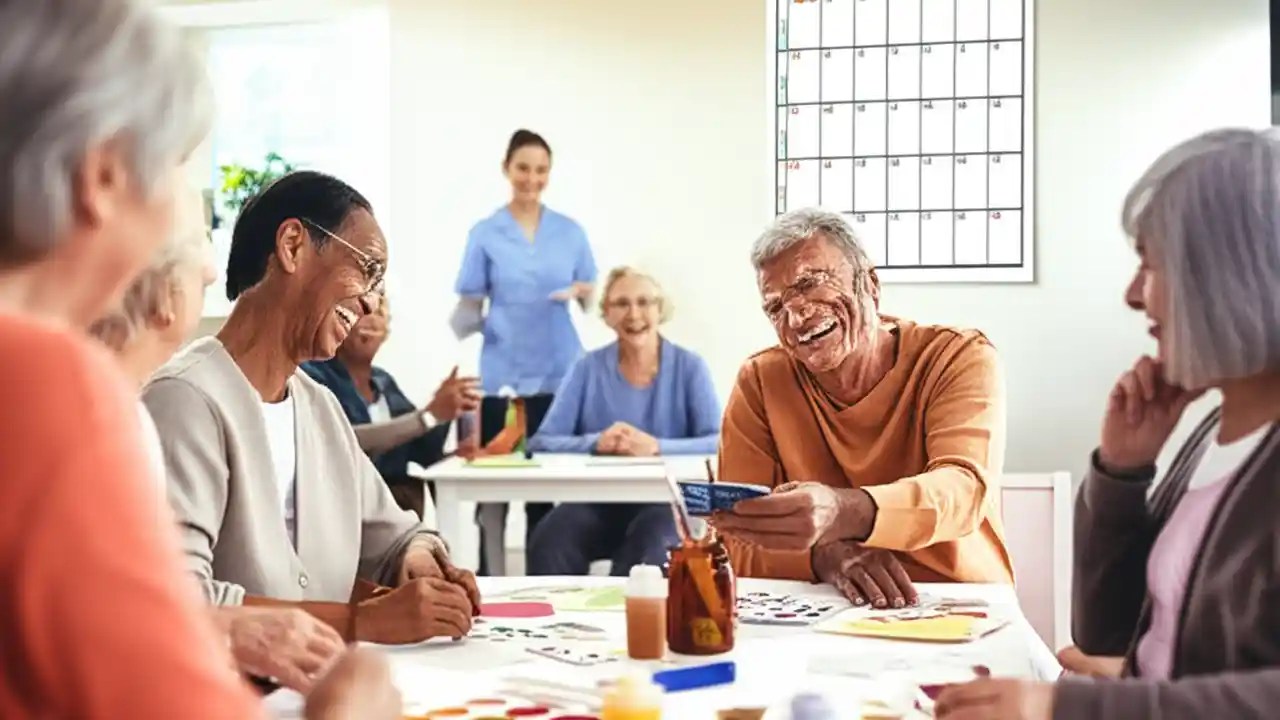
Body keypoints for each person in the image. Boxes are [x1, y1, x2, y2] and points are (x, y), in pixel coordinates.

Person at [0, 0, 396, 717]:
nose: (209, 261)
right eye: (179, 164)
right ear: (104, 176)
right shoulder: (48, 386)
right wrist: (358, 701)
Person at [935, 130, 1280, 719]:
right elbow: (1107, 635)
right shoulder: (1213, 432)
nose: (1133, 295)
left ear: (1227, 277)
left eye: (1152, 266)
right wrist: (1123, 471)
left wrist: (1066, 708)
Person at [142, 169, 481, 645]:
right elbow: (177, 601)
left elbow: (396, 537)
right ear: (293, 245)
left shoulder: (319, 408)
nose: (369, 305)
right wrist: (358, 623)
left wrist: (421, 561)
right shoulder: (184, 400)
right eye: (368, 270)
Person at [89, 185, 356, 694]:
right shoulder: (162, 403)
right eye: (197, 242)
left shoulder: (316, 402)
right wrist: (356, 630)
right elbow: (150, 629)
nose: (213, 271)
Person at [712, 208, 1013, 609]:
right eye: (775, 307)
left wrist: (841, 512)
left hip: (954, 597)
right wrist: (823, 555)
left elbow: (964, 490)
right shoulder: (761, 380)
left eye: (810, 283)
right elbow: (734, 539)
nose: (798, 316)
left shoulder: (956, 356)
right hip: (823, 604)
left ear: (870, 284)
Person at [453, 128, 598, 575]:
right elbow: (467, 308)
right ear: (506, 169)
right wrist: (475, 321)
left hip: (559, 373)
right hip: (504, 377)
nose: (531, 178)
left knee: (546, 492)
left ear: (549, 174)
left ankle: (544, 585)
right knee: (493, 493)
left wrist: (580, 292)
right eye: (523, 168)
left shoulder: (570, 232)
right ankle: (489, 585)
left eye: (540, 170)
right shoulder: (485, 233)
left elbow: (592, 299)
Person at [525, 267, 721, 575]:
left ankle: (632, 623)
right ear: (606, 314)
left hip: (664, 505)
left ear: (660, 310)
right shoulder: (586, 368)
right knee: (551, 538)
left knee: (653, 548)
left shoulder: (690, 367)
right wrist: (596, 442)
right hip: (595, 502)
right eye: (622, 303)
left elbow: (717, 441)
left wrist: (656, 446)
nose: (634, 313)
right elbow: (543, 441)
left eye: (645, 302)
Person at [303, 297, 481, 518]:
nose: (370, 320)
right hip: (344, 510)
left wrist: (447, 417)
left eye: (378, 314)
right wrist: (427, 417)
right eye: (358, 312)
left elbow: (420, 449)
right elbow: (340, 438)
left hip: (396, 511)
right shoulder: (312, 377)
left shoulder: (383, 382)